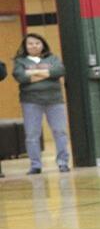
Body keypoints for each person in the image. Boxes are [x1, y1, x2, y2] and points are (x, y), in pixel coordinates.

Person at [12, 34, 70, 174]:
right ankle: (35, 165)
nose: (34, 46)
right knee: (32, 134)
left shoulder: (53, 58)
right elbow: (21, 77)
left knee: (60, 132)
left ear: (42, 44)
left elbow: (59, 71)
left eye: (37, 43)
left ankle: (63, 163)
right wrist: (48, 74)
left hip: (54, 100)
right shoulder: (20, 61)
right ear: (25, 46)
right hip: (30, 101)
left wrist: (34, 72)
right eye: (30, 44)